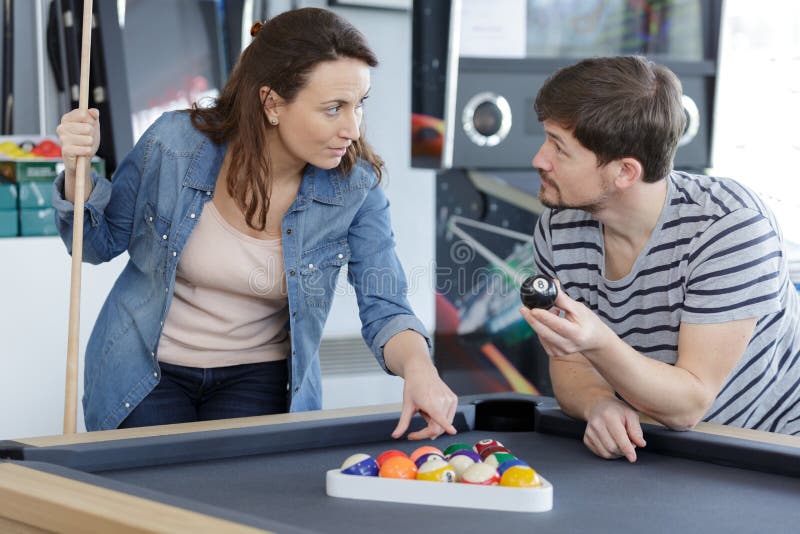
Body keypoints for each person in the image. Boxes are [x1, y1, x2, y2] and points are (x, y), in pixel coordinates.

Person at [54, 7, 458, 437]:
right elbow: (96, 243)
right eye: (333, 109)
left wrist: (420, 369)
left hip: (259, 377)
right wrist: (79, 173)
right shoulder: (173, 146)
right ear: (271, 103)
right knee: (149, 502)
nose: (353, 129)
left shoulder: (355, 190)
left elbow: (386, 306)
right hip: (145, 370)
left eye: (359, 105)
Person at [518, 56, 800, 462]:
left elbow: (689, 401)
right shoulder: (559, 227)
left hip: (776, 453)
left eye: (560, 149)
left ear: (625, 173)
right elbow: (570, 362)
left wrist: (596, 339)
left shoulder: (730, 225)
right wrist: (597, 402)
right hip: (667, 451)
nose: (539, 159)